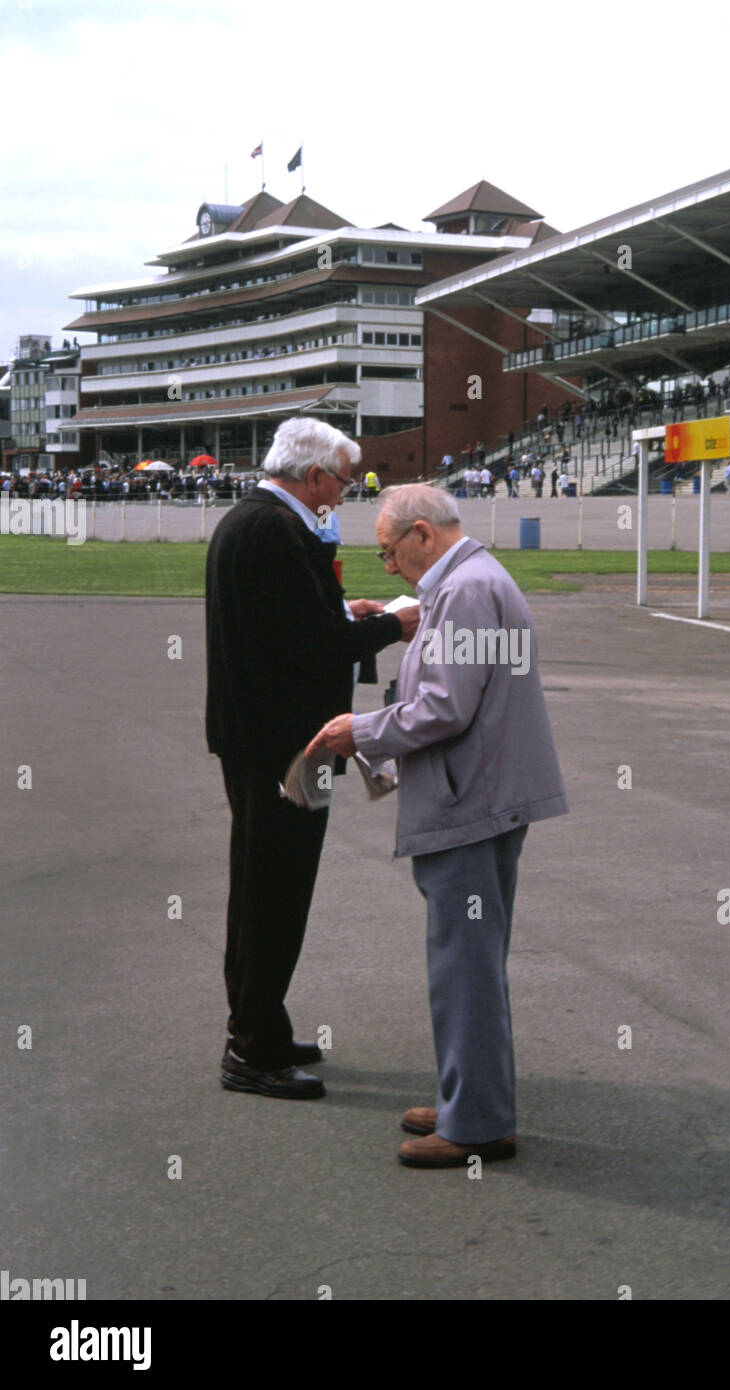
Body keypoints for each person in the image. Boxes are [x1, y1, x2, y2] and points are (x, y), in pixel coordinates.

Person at [306, 485, 568, 1167]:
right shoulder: (472, 580)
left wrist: (361, 730)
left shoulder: (466, 590)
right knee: (469, 963)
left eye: (390, 552)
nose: (389, 567)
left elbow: (444, 708)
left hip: (471, 801)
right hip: (480, 793)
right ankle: (470, 1101)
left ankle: (477, 1122)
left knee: (465, 967)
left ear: (422, 534)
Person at [205, 417, 418, 1099]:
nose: (346, 493)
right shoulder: (275, 529)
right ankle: (252, 1048)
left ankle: (258, 1020)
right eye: (345, 481)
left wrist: (342, 614)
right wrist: (391, 625)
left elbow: (294, 627)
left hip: (267, 737)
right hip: (285, 745)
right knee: (276, 889)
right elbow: (308, 649)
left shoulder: (259, 518)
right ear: (316, 474)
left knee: (263, 884)